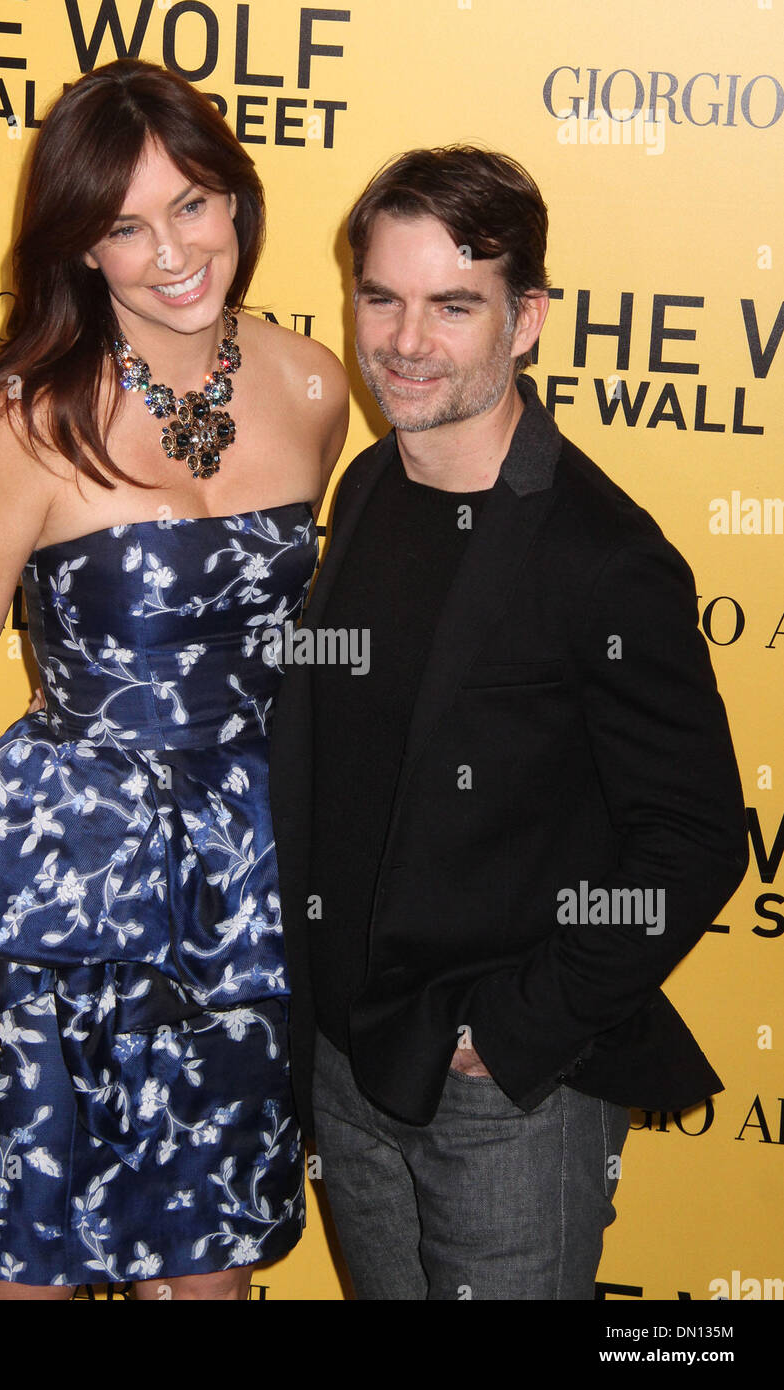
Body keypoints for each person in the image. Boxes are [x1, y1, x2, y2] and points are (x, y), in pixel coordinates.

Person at [0, 58, 348, 1300]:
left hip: (244, 894)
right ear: (80, 246)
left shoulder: (311, 386)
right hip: (61, 896)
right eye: (124, 225)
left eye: (193, 204)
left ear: (238, 201)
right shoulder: (24, 421)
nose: (172, 250)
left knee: (211, 1275)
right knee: (2, 1280)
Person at [267, 146, 747, 1300]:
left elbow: (693, 840)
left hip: (502, 1096)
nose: (403, 342)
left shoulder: (602, 555)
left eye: (453, 305)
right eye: (380, 297)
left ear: (525, 320)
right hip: (348, 1064)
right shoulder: (369, 489)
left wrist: (513, 1033)